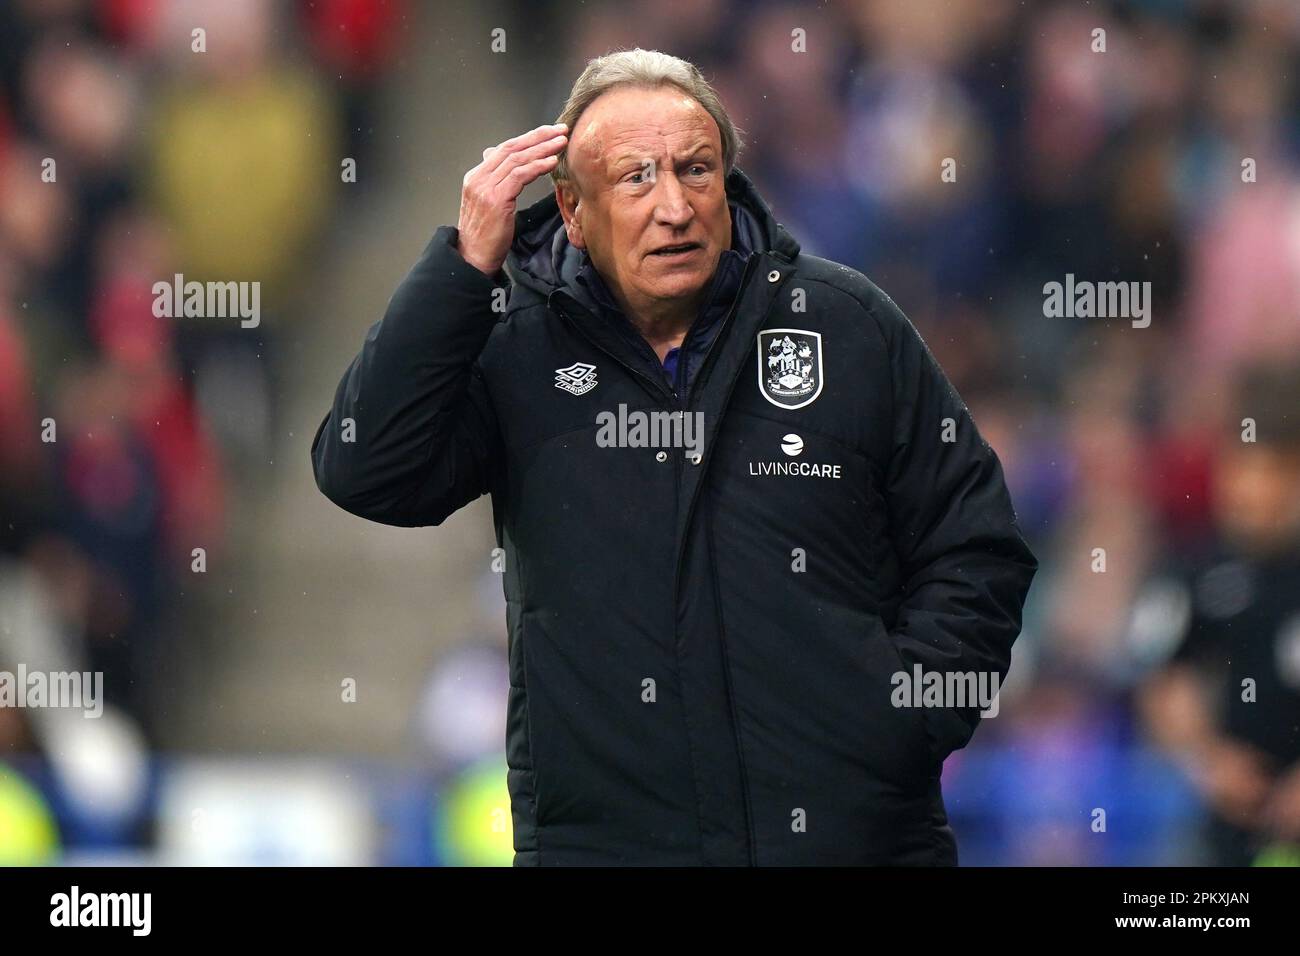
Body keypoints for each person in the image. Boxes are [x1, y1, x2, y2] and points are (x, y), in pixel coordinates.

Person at [311, 48, 1037, 865]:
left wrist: (901, 723)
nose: (674, 207)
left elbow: (975, 545)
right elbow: (363, 468)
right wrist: (461, 268)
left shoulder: (846, 326)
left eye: (697, 171)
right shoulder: (514, 351)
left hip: (856, 844)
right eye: (634, 179)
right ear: (573, 212)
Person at [1137, 360, 1300, 865]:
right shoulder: (1199, 571)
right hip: (1235, 830)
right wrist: (1209, 760)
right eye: (1237, 467)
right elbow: (1165, 677)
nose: (1246, 491)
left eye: (1266, 471)